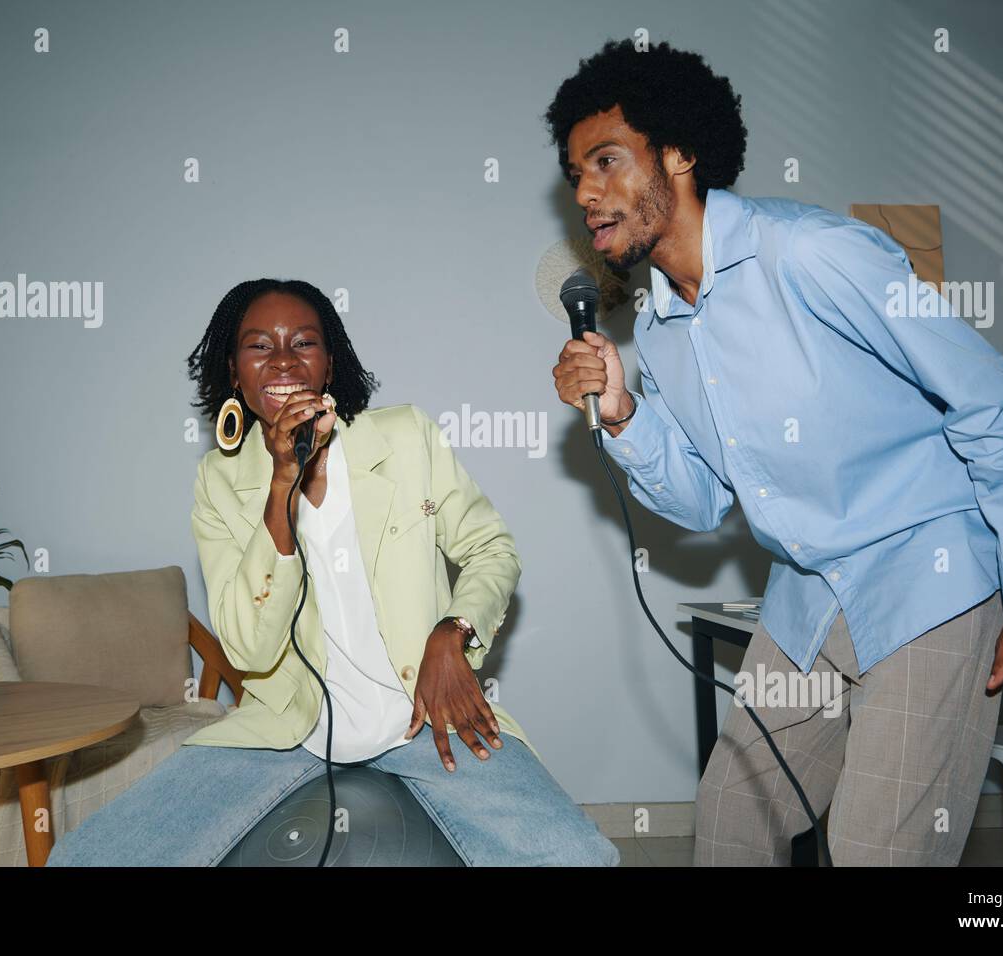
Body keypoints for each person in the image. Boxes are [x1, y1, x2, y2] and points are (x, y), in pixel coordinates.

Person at [545, 39, 1003, 865]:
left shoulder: (814, 254)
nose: (588, 194)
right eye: (575, 176)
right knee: (729, 824)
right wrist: (625, 412)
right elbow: (705, 503)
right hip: (808, 600)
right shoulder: (660, 330)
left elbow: (998, 408)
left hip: (933, 580)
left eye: (606, 161)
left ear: (678, 153)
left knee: (875, 848)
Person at [46, 278, 619, 866]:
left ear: (328, 362)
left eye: (304, 343)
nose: (284, 361)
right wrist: (279, 486)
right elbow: (248, 648)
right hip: (282, 734)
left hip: (424, 721)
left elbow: (491, 548)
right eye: (259, 346)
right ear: (235, 371)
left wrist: (453, 631)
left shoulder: (404, 436)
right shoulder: (219, 483)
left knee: (577, 857)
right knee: (86, 859)